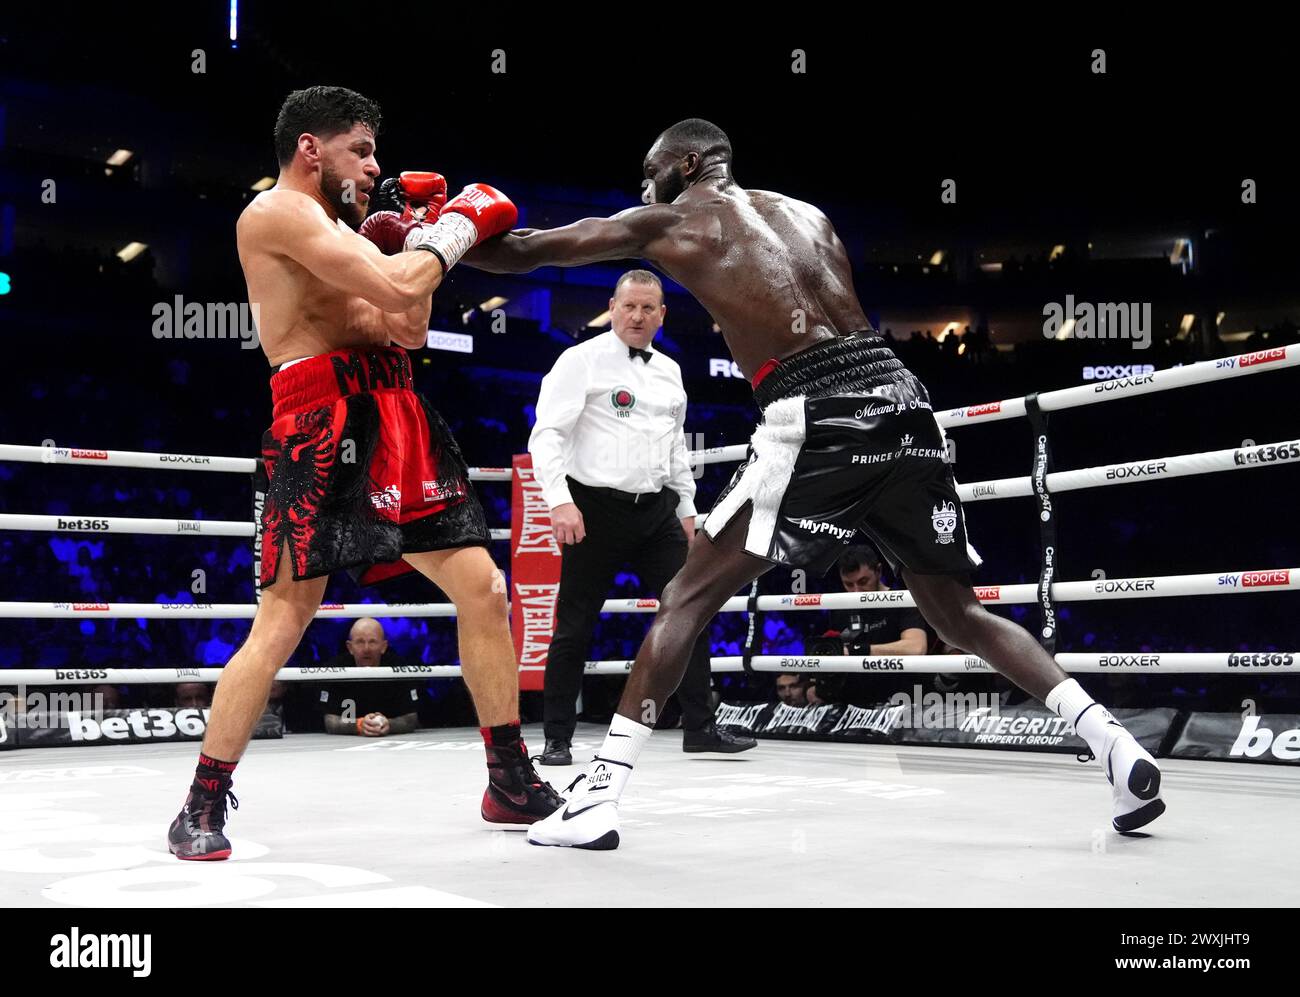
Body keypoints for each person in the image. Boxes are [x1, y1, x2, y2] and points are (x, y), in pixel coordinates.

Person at [464, 117, 1165, 849]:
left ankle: (597, 796)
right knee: (957, 610)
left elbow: (526, 250)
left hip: (817, 413)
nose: (645, 189)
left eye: (652, 172)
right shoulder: (808, 215)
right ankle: (1115, 744)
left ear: (690, 163)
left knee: (686, 597)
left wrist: (437, 233)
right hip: (906, 403)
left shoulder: (673, 222)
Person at [166, 85, 560, 861]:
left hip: (399, 413)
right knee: (284, 620)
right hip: (319, 421)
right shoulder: (276, 213)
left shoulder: (351, 231)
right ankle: (200, 801)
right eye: (362, 148)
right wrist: (451, 230)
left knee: (484, 589)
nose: (376, 166)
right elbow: (401, 285)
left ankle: (508, 777)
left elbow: (407, 329)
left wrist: (412, 237)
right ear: (311, 148)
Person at [529, 269, 755, 763]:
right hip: (592, 509)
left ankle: (701, 726)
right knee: (574, 626)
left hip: (656, 512)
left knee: (688, 612)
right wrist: (559, 500)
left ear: (661, 314)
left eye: (647, 308)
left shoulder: (670, 370)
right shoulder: (579, 360)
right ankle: (557, 739)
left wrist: (687, 508)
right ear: (612, 307)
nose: (637, 316)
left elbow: (675, 447)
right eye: (629, 306)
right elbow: (547, 434)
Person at [316, 617, 421, 737]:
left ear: (384, 646)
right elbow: (330, 722)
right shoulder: (335, 670)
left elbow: (411, 719)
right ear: (350, 647)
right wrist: (358, 725)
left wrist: (390, 724)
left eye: (372, 642)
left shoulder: (399, 669)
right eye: (360, 642)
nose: (366, 649)